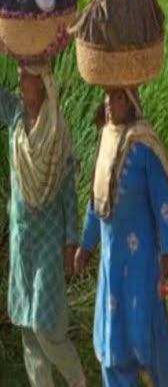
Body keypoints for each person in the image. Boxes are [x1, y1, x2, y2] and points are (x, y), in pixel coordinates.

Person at [74, 87, 168, 387]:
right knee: (114, 336)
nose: (109, 103)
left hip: (142, 260)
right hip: (111, 262)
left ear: (132, 104)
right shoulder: (106, 141)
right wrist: (85, 246)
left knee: (150, 329)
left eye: (118, 97)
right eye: (108, 97)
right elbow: (96, 203)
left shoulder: (145, 146)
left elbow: (162, 202)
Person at [2, 61, 87, 387]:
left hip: (50, 241)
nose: (20, 79)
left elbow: (67, 193)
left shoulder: (57, 129)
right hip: (23, 239)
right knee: (26, 324)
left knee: (46, 324)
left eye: (27, 75)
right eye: (20, 74)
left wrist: (71, 242)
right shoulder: (15, 120)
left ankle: (77, 380)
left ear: (43, 84)